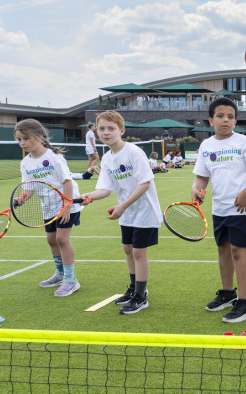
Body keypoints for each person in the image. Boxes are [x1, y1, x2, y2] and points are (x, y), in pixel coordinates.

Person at [191, 97, 246, 323]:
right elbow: (202, 177)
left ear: (235, 121)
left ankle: (245, 302)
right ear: (211, 120)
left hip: (243, 208)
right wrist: (196, 189)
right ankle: (227, 294)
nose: (226, 120)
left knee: (238, 251)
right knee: (223, 250)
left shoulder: (244, 142)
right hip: (219, 208)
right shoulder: (206, 146)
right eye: (220, 116)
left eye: (230, 117)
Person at [81, 111, 163, 315]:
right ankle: (134, 288)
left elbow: (145, 183)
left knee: (138, 252)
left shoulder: (133, 152)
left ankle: (141, 296)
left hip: (145, 210)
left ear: (121, 130)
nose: (106, 132)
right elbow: (105, 189)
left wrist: (123, 206)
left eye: (111, 128)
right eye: (102, 129)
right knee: (127, 249)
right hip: (127, 211)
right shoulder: (107, 158)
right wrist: (89, 196)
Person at [14, 119, 84, 297]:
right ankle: (60, 274)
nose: (22, 143)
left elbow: (67, 181)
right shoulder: (25, 163)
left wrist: (67, 206)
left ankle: (70, 279)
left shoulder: (54, 156)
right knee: (51, 240)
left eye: (26, 138)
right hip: (48, 206)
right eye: (19, 139)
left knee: (61, 239)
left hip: (66, 203)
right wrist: (21, 199)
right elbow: (28, 189)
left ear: (39, 136)